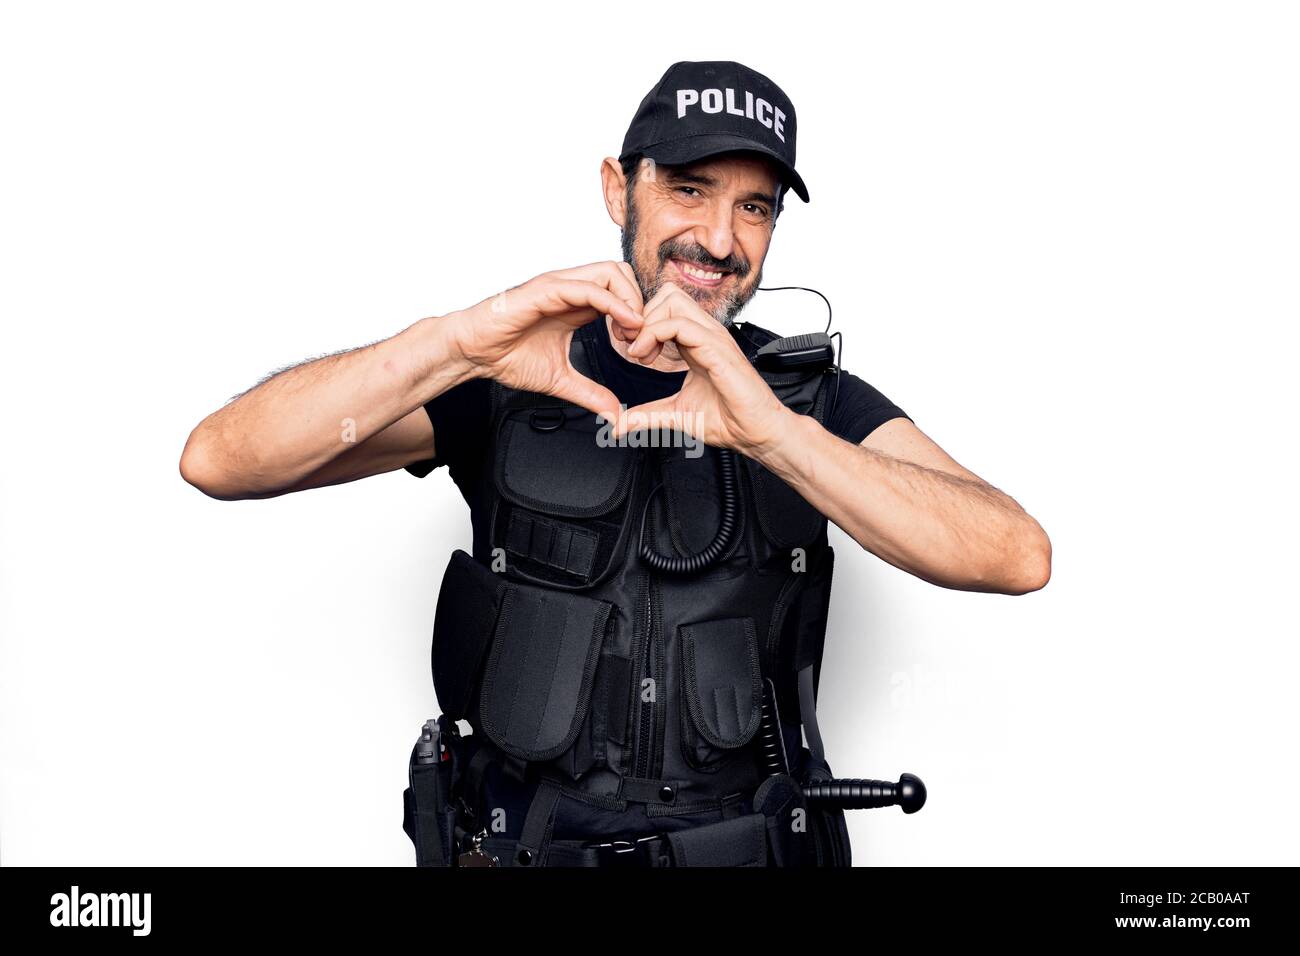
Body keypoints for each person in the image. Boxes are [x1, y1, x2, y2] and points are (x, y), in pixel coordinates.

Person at [180, 60, 1051, 866]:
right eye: (688, 189)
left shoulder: (810, 404)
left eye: (755, 207)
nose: (719, 238)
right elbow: (222, 459)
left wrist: (774, 435)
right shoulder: (509, 373)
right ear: (616, 189)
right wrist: (451, 344)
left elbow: (1016, 555)